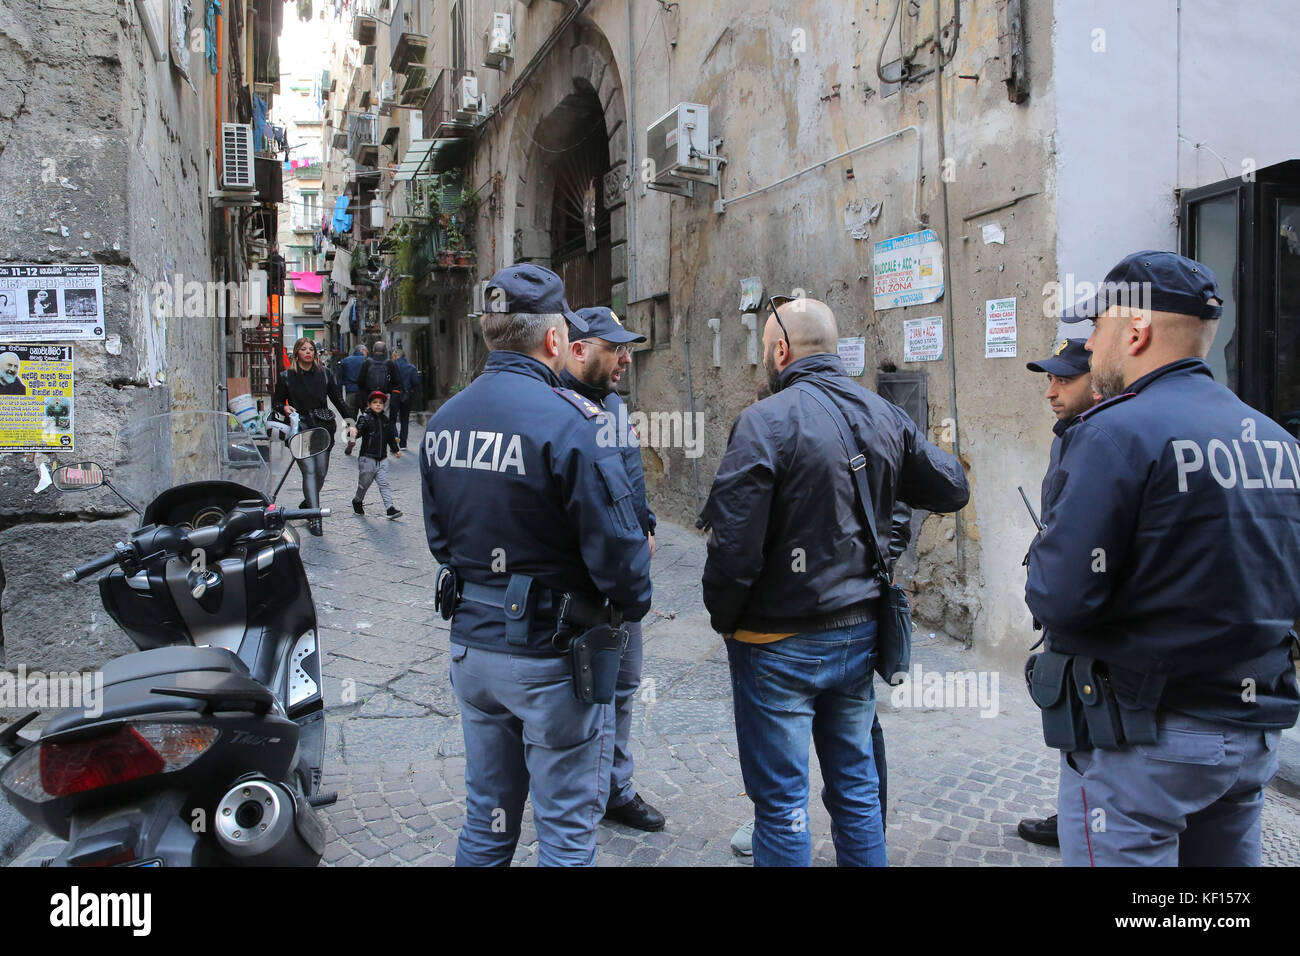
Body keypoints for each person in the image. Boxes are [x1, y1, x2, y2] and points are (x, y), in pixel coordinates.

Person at [1026, 250, 1300, 866]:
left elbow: (1062, 598)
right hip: (1251, 732)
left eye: (1096, 328)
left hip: (1144, 738)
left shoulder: (1111, 433)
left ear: (1136, 331)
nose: (1091, 347)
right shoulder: (1279, 442)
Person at [700, 295, 970, 867]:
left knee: (781, 806)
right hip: (856, 633)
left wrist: (727, 619)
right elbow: (951, 487)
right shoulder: (881, 413)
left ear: (780, 350)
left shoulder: (762, 422)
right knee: (856, 792)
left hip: (774, 642)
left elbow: (733, 548)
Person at [420, 263, 653, 867]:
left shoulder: (442, 424)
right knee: (567, 834)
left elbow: (441, 541)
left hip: (473, 651)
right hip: (552, 658)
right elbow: (622, 558)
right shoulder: (576, 425)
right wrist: (628, 604)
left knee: (487, 822)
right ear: (555, 340)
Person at [558, 305, 665, 833]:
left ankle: (615, 788)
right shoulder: (554, 406)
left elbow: (628, 476)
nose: (625, 359)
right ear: (578, 349)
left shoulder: (616, 404)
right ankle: (580, 792)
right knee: (579, 690)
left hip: (624, 570)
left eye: (626, 349)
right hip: (580, 581)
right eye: (613, 348)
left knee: (622, 685)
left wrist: (644, 527)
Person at [1016, 338, 1102, 848]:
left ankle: (1085, 820)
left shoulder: (1103, 438)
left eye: (1064, 380)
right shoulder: (1069, 434)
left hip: (1087, 612)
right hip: (1066, 606)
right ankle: (1074, 812)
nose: (1050, 391)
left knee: (1087, 720)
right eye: (1049, 379)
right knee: (1070, 720)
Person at [272, 337, 351, 536]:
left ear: (315, 353)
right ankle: (315, 517)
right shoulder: (286, 377)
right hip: (300, 427)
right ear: (297, 352)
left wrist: (350, 423)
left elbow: (338, 400)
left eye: (311, 349)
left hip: (323, 428)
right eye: (304, 349)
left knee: (321, 472)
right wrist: (284, 407)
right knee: (309, 471)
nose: (308, 352)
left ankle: (308, 503)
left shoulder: (325, 374)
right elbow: (276, 402)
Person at [350, 389, 402, 519]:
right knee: (364, 485)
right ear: (369, 404)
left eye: (381, 403)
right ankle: (357, 501)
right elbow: (359, 428)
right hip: (367, 458)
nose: (378, 405)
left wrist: (395, 449)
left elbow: (390, 436)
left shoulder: (385, 420)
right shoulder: (365, 418)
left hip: (382, 458)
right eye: (375, 402)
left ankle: (390, 509)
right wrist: (354, 433)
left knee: (384, 484)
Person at [359, 340, 402, 413]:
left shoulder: (367, 363)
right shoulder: (390, 363)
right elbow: (397, 382)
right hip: (385, 395)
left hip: (370, 395)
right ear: (385, 351)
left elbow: (360, 382)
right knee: (385, 417)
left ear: (373, 350)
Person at [340, 344, 368, 455]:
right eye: (366, 351)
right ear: (362, 351)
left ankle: (351, 440)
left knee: (350, 420)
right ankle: (367, 443)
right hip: (364, 394)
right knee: (368, 418)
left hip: (350, 392)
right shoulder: (368, 361)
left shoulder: (345, 361)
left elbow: (340, 380)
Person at [393, 348, 422, 449]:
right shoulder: (411, 367)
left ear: (396, 356)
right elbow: (416, 382)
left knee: (392, 419)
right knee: (404, 420)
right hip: (406, 396)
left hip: (395, 395)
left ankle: (395, 438)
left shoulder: (392, 366)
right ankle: (403, 444)